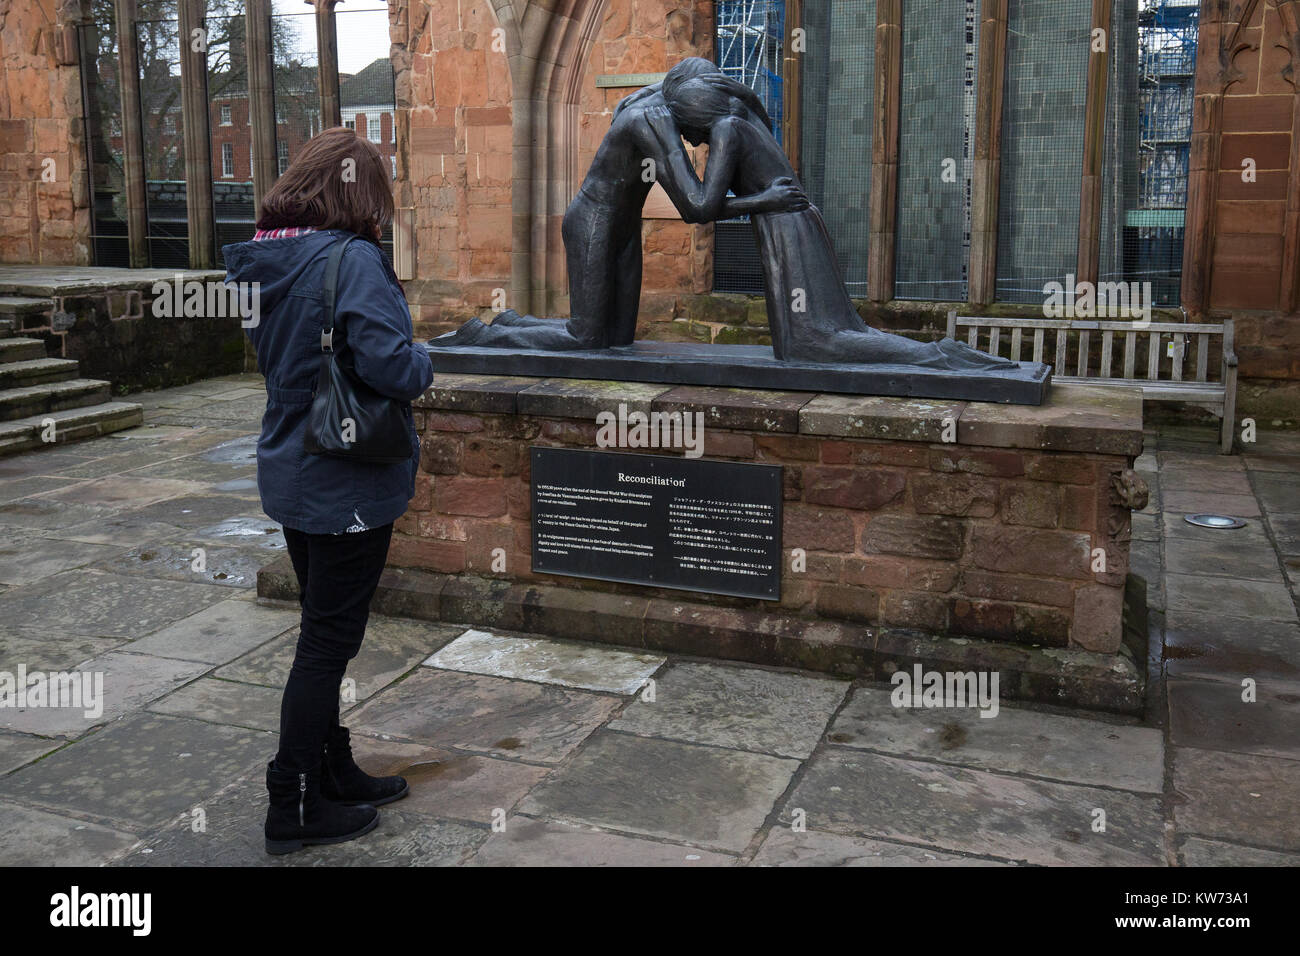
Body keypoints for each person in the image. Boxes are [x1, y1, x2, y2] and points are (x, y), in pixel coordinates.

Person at [222, 126, 434, 855]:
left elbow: (281, 361)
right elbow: (391, 369)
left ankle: (331, 767)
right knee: (326, 643)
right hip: (346, 477)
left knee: (324, 632)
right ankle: (295, 802)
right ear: (355, 191)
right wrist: (425, 358)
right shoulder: (353, 260)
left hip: (291, 466)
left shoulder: (259, 261)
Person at [647, 57, 1017, 370]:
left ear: (697, 109)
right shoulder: (745, 122)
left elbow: (701, 209)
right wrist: (767, 200)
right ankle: (934, 354)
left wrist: (764, 200)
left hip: (786, 227)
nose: (689, 140)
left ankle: (938, 355)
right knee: (814, 337)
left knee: (810, 341)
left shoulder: (727, 129)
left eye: (685, 127)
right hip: (790, 224)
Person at [436, 81, 809, 349]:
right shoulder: (652, 121)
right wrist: (766, 199)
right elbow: (696, 208)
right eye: (702, 132)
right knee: (585, 337)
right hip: (592, 224)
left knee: (618, 340)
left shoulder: (661, 104)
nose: (698, 141)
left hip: (624, 226)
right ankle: (484, 335)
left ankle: (513, 322)